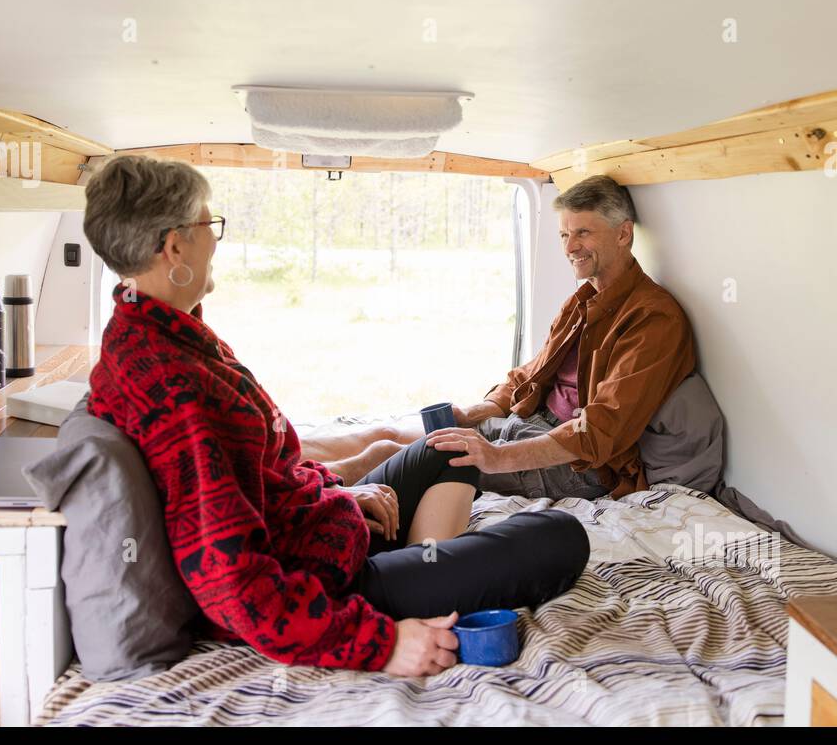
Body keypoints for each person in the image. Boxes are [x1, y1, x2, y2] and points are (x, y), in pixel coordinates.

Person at [82, 155, 589, 677]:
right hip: (318, 585)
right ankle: (416, 590)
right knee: (558, 537)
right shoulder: (172, 383)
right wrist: (379, 643)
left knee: (447, 447)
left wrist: (336, 493)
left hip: (323, 533)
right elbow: (227, 579)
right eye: (210, 224)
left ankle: (424, 577)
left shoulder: (168, 333)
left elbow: (267, 476)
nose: (215, 239)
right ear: (174, 247)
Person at [427, 175, 696, 500]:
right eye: (565, 235)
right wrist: (473, 414)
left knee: (426, 470)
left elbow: (600, 429)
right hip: (529, 423)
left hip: (578, 464)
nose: (569, 248)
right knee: (393, 440)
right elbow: (530, 375)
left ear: (623, 234)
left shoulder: (654, 318)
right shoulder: (580, 302)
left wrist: (496, 457)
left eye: (583, 233)